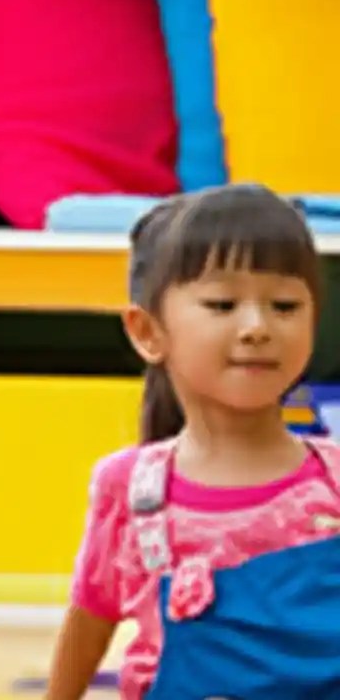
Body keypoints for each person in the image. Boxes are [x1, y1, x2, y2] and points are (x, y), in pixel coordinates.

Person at [46, 185, 340, 699]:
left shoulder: (332, 480)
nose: (257, 327)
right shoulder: (130, 488)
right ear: (147, 331)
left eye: (285, 305)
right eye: (223, 304)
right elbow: (90, 615)